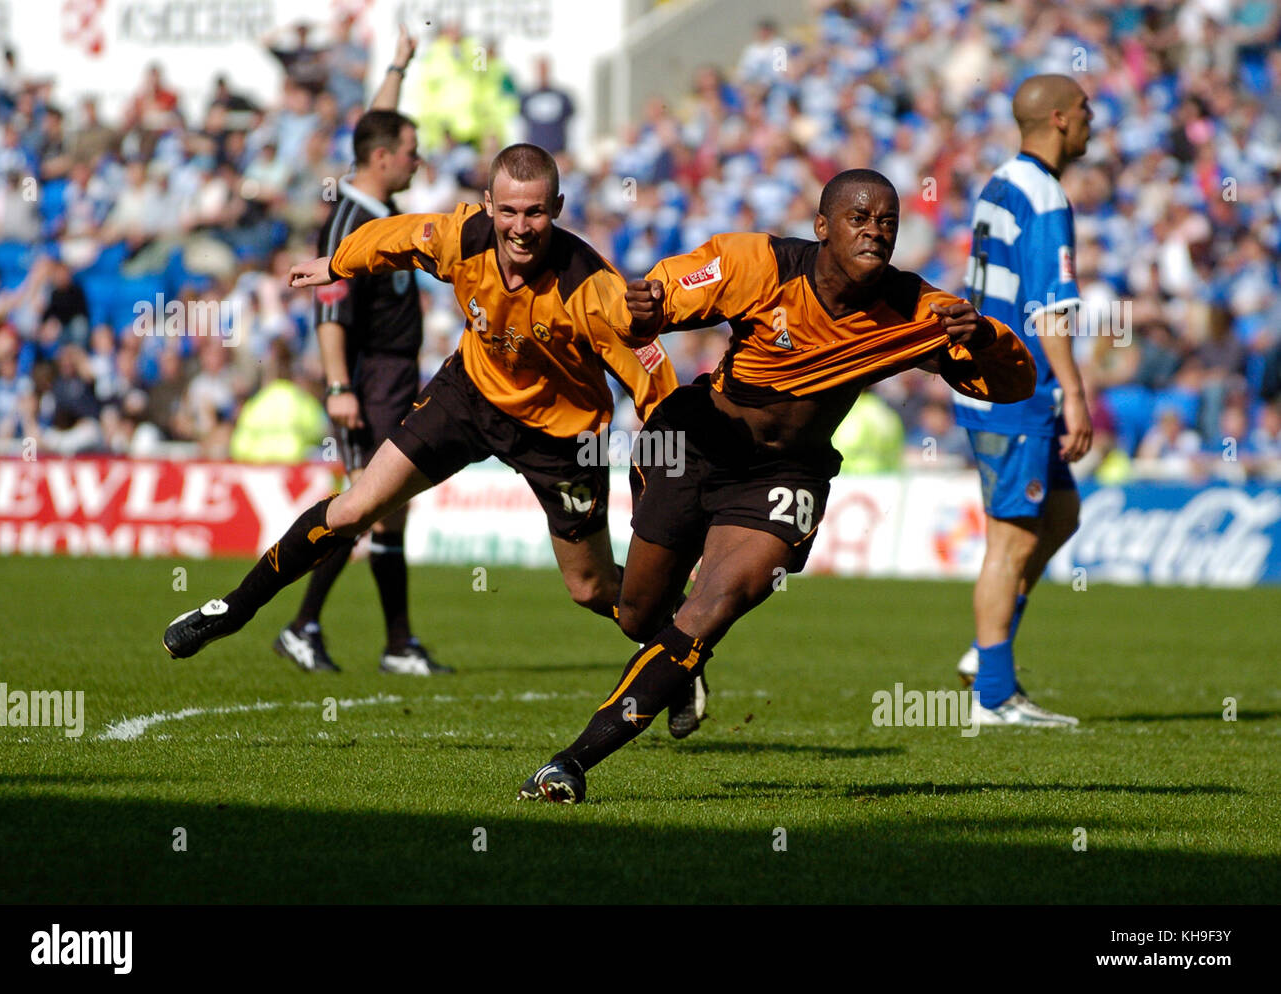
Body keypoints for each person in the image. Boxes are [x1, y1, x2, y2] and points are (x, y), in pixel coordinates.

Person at [518, 168, 1037, 803]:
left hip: (785, 476)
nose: (875, 231)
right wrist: (648, 308)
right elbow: (669, 292)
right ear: (822, 227)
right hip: (695, 446)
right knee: (638, 617)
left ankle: (570, 763)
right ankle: (677, 668)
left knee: (710, 609)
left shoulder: (915, 310)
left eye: (888, 223)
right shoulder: (761, 263)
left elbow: (1016, 384)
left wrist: (984, 339)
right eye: (859, 218)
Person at [162, 144, 680, 677]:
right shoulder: (464, 237)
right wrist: (337, 263)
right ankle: (234, 608)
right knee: (353, 508)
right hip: (470, 397)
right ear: (487, 204)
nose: (520, 227)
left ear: (559, 207)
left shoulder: (593, 288)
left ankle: (679, 635)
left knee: (589, 589)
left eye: (535, 212)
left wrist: (674, 463)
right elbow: (398, 236)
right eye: (508, 211)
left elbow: (654, 379)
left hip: (561, 439)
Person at [273, 26, 449, 676]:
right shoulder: (351, 223)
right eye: (410, 151)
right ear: (381, 160)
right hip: (368, 376)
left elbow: (378, 122)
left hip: (395, 374)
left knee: (389, 509)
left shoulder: (379, 206)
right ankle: (303, 625)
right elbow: (331, 314)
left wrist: (400, 63)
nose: (416, 158)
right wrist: (339, 387)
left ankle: (398, 643)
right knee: (361, 504)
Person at [952, 74, 1094, 727]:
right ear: (1061, 118)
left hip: (990, 380)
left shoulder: (999, 182)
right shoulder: (1044, 194)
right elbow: (1049, 310)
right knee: (1008, 543)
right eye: (1088, 110)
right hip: (1018, 388)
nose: (1094, 121)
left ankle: (989, 653)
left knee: (1060, 514)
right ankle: (994, 695)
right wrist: (1074, 395)